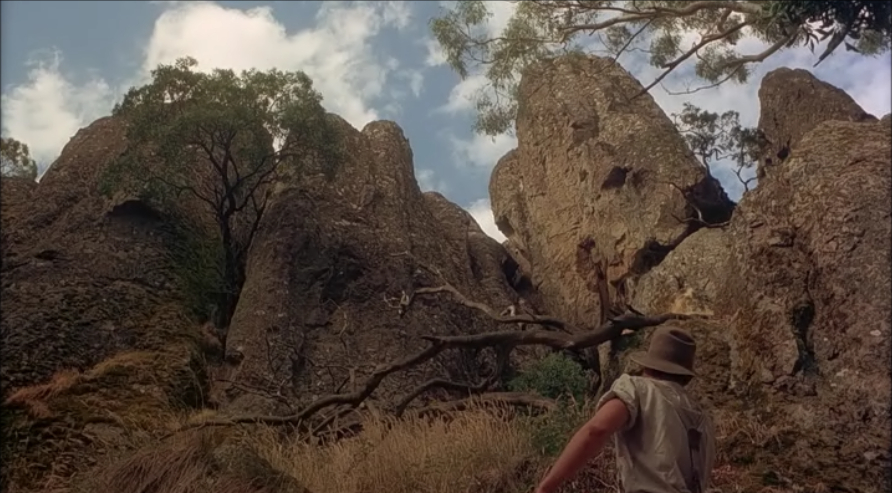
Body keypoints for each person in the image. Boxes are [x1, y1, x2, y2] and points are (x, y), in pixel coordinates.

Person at [534, 325, 716, 493]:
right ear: (685, 376)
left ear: (648, 365)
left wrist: (546, 487)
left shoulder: (638, 388)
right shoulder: (702, 417)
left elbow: (596, 430)